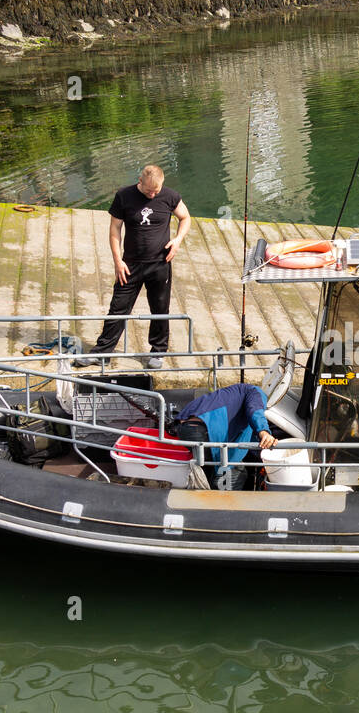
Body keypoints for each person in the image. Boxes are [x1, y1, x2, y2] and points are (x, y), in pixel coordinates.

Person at [76, 165, 191, 369]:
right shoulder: (124, 196)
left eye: (156, 191)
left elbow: (185, 217)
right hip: (130, 265)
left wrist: (178, 240)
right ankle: (102, 352)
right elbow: (115, 229)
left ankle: (158, 352)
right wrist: (117, 261)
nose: (153, 194)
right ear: (140, 181)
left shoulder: (170, 196)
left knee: (160, 308)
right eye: (149, 191)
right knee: (118, 307)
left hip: (160, 263)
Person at [172, 383, 278, 490]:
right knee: (235, 470)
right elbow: (255, 410)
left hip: (184, 427)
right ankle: (224, 501)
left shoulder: (237, 391)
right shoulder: (256, 392)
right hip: (203, 430)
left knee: (213, 466)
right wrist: (264, 432)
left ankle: (213, 493)